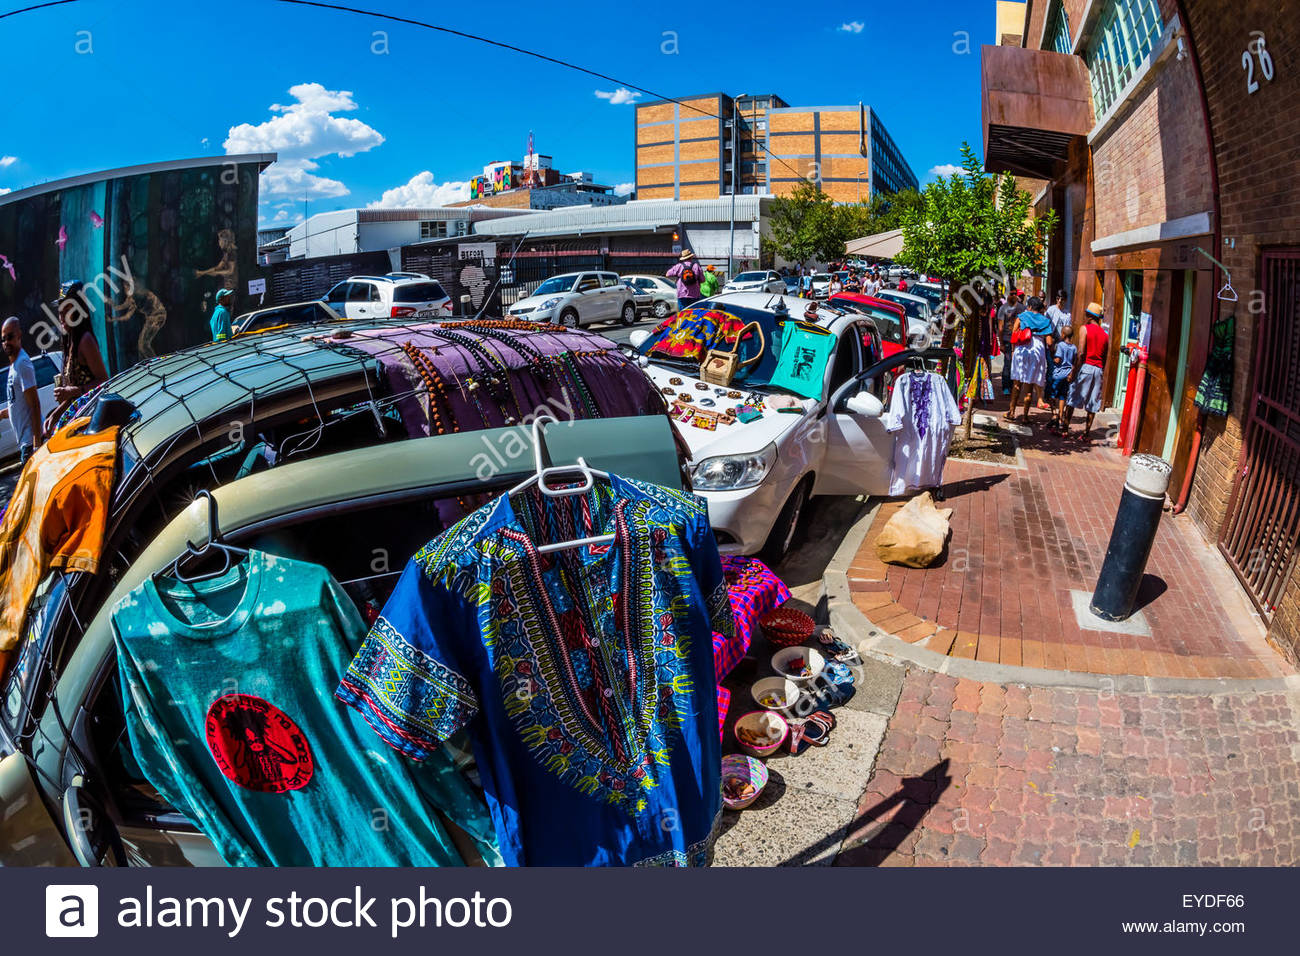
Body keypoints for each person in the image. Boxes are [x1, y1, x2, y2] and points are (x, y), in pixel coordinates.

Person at [45, 281, 110, 436]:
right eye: (60, 310)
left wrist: (72, 390)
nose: (61, 315)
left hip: (92, 424)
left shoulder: (85, 340)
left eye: (67, 309)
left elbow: (104, 381)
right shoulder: (71, 341)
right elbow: (72, 396)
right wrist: (55, 415)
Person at [1005, 295, 1055, 423]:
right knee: (1029, 384)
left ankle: (1011, 412)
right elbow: (1049, 342)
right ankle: (1025, 416)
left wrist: (1013, 350)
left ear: (1030, 306)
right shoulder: (1045, 321)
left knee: (1017, 384)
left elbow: (1014, 333)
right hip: (1037, 351)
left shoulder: (1022, 316)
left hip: (1021, 349)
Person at [1064, 302, 1111, 441]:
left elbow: (1080, 352)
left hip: (1086, 367)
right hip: (1098, 370)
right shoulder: (1105, 335)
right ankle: (1086, 433)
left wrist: (1073, 371)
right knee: (1092, 402)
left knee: (1072, 397)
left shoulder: (1084, 329)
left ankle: (1065, 429)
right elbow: (1105, 356)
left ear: (1090, 316)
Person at [0, 317, 41, 464]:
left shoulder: (22, 363)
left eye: (9, 337)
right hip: (25, 443)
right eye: (3, 339)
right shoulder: (14, 367)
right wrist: (3, 414)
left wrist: (36, 444)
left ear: (19, 335)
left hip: (30, 444)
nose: (6, 343)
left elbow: (34, 405)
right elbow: (18, 403)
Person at [1046, 324, 1076, 431]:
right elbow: (1074, 362)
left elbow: (1058, 360)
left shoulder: (1060, 345)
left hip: (1058, 374)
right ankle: (1060, 417)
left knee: (1051, 394)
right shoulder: (1074, 347)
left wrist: (1052, 357)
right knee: (1063, 396)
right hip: (1067, 375)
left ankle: (1054, 414)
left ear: (1063, 334)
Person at [997, 289, 1026, 394]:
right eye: (1012, 294)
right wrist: (1001, 343)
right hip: (1008, 340)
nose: (1014, 296)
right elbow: (1000, 327)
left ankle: (1013, 386)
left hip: (1019, 341)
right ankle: (1007, 387)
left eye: (1015, 294)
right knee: (1008, 363)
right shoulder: (1003, 308)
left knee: (1016, 364)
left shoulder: (1022, 308)